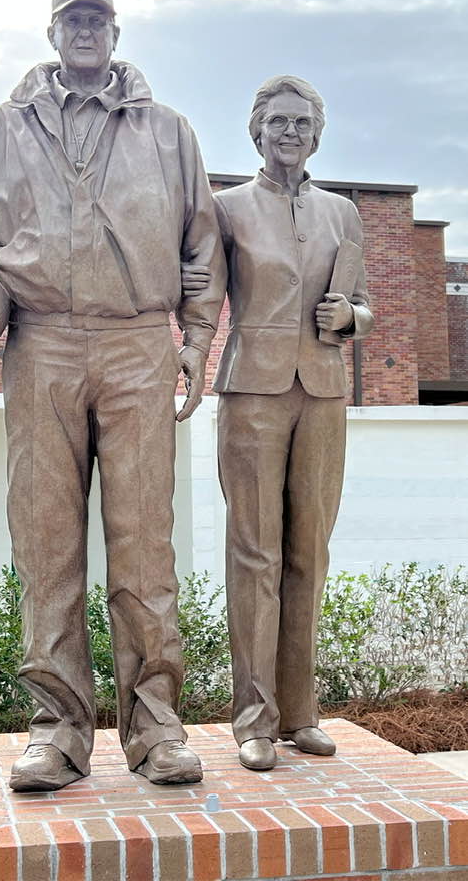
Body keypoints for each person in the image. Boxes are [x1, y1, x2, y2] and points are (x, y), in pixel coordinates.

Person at [0, 0, 226, 791]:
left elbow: (202, 246)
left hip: (138, 343)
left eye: (97, 19)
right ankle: (56, 731)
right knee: (46, 543)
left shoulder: (170, 132)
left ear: (115, 31)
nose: (85, 31)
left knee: (145, 543)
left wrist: (196, 340)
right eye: (71, 20)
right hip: (41, 342)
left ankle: (156, 729)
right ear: (52, 32)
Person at [213, 75, 374, 771]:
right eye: (277, 121)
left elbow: (363, 304)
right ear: (257, 131)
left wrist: (351, 317)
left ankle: (300, 712)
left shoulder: (344, 213)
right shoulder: (226, 208)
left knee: (310, 551)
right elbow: (201, 296)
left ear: (317, 134)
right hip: (251, 391)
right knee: (256, 554)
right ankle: (254, 719)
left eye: (301, 122)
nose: (289, 132)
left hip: (324, 391)